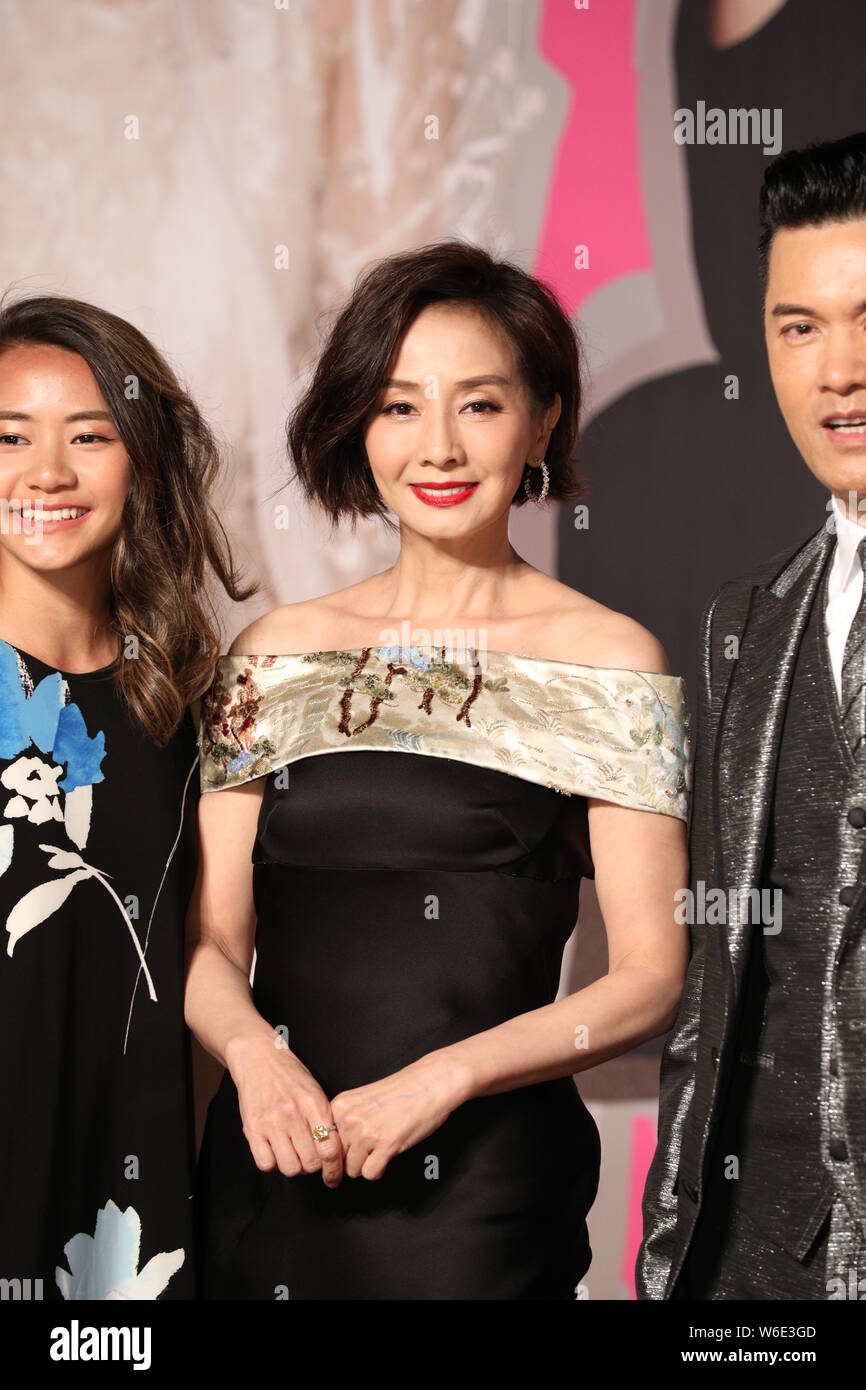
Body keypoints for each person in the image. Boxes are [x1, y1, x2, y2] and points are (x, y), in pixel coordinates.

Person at [186, 240, 691, 1300]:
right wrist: (255, 1061)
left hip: (477, 1200)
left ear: (542, 419)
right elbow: (209, 942)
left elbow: (646, 978)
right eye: (399, 406)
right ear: (357, 424)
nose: (439, 447)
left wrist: (443, 1079)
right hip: (272, 1169)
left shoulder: (604, 660)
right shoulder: (272, 654)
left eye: (479, 405)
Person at [638, 132, 866, 1301]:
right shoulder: (744, 625)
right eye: (798, 327)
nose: (837, 369)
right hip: (752, 1276)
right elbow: (712, 987)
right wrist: (672, 1267)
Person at [0, 293, 255, 1300]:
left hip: (121, 1226)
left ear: (142, 459)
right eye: (10, 436)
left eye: (90, 435)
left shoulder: (189, 704)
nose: (47, 472)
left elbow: (194, 962)